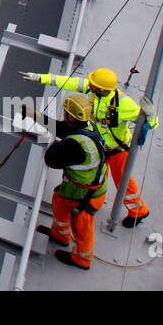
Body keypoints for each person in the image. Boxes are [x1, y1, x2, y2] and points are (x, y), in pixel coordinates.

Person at [21, 66, 156, 226]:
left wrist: (151, 115)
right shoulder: (92, 91)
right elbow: (68, 82)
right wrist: (40, 77)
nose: (88, 85)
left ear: (102, 90)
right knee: (98, 177)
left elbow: (151, 124)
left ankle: (139, 212)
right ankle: (90, 202)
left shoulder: (124, 105)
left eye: (92, 84)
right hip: (99, 145)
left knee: (123, 179)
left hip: (116, 148)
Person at [42, 94, 111, 270]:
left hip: (86, 194)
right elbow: (62, 129)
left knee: (82, 226)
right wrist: (37, 116)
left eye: (66, 113)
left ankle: (82, 259)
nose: (64, 115)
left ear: (71, 117)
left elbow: (52, 159)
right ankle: (60, 235)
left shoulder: (75, 146)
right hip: (87, 186)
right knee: (60, 203)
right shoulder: (88, 127)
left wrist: (56, 146)